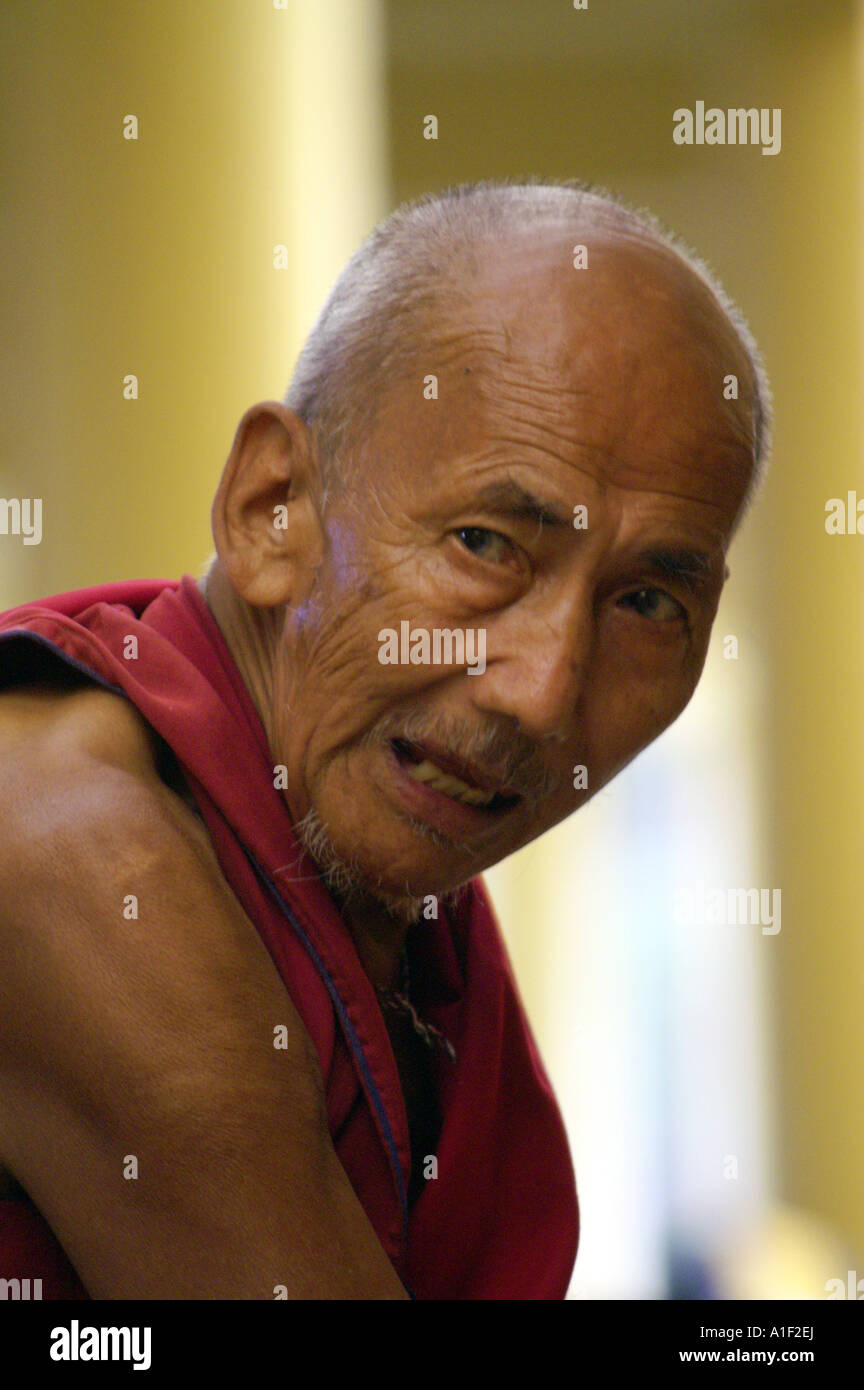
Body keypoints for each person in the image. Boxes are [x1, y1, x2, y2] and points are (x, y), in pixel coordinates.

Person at [0, 178, 769, 1300]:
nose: (543, 694)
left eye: (649, 603)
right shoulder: (71, 853)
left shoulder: (385, 907)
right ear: (273, 508)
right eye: (485, 542)